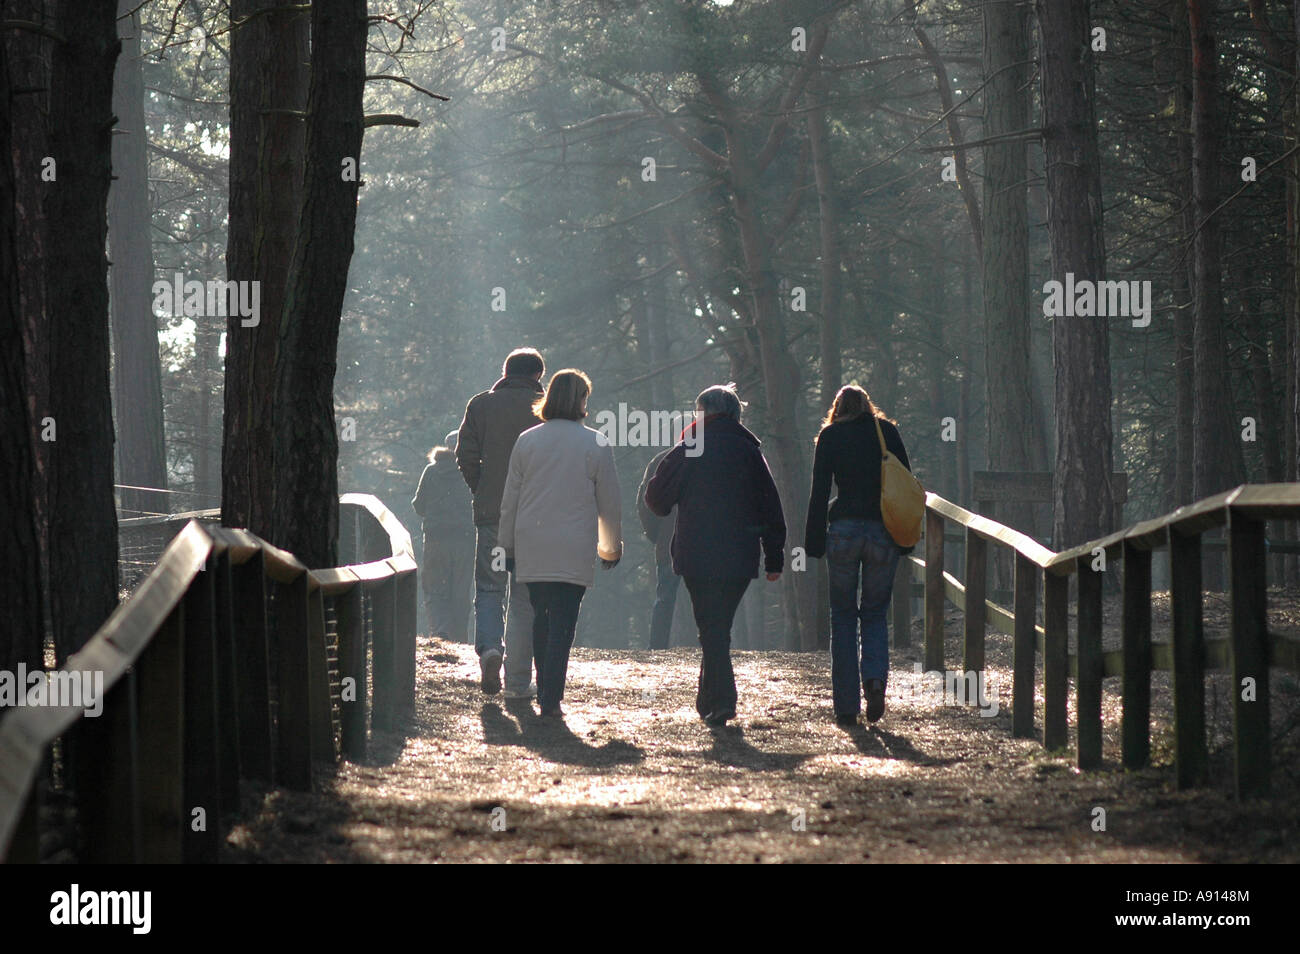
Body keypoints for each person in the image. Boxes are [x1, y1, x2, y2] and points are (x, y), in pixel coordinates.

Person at [645, 384, 785, 727]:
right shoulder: (749, 449)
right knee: (716, 625)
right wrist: (774, 556)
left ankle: (721, 701)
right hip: (739, 554)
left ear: (704, 413)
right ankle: (711, 700)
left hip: (697, 552)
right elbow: (771, 505)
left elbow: (658, 500)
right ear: (735, 414)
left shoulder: (692, 445)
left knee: (711, 626)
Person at [498, 370, 622, 718]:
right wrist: (610, 547)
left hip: (532, 543)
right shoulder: (595, 442)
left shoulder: (527, 440)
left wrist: (506, 546)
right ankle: (551, 694)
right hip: (573, 545)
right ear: (581, 400)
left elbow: (511, 499)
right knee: (564, 621)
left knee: (541, 616)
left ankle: (545, 687)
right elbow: (608, 501)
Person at [803, 384, 911, 726]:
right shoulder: (887, 433)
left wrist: (813, 543)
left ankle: (846, 706)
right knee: (876, 612)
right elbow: (906, 483)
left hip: (844, 532)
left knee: (843, 615)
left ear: (837, 408)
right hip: (883, 531)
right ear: (868, 405)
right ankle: (875, 681)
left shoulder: (831, 437)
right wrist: (906, 539)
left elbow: (820, 491)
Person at [456, 348, 545, 697]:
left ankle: (490, 650)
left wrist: (482, 487)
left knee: (490, 588)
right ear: (539, 374)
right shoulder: (548, 408)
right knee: (524, 596)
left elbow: (465, 455)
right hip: (535, 518)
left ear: (506, 371)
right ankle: (518, 679)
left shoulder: (480, 405)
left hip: (493, 516)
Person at [411, 430, 473, 642]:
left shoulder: (431, 471)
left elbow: (418, 505)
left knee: (435, 587)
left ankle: (440, 631)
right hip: (465, 540)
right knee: (460, 590)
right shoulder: (473, 471)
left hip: (436, 539)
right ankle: (460, 637)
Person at [637, 448, 679, 650]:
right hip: (704, 547)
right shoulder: (712, 459)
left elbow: (644, 504)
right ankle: (712, 647)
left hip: (669, 544)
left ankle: (658, 648)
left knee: (665, 599)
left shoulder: (662, 460)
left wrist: (657, 535)